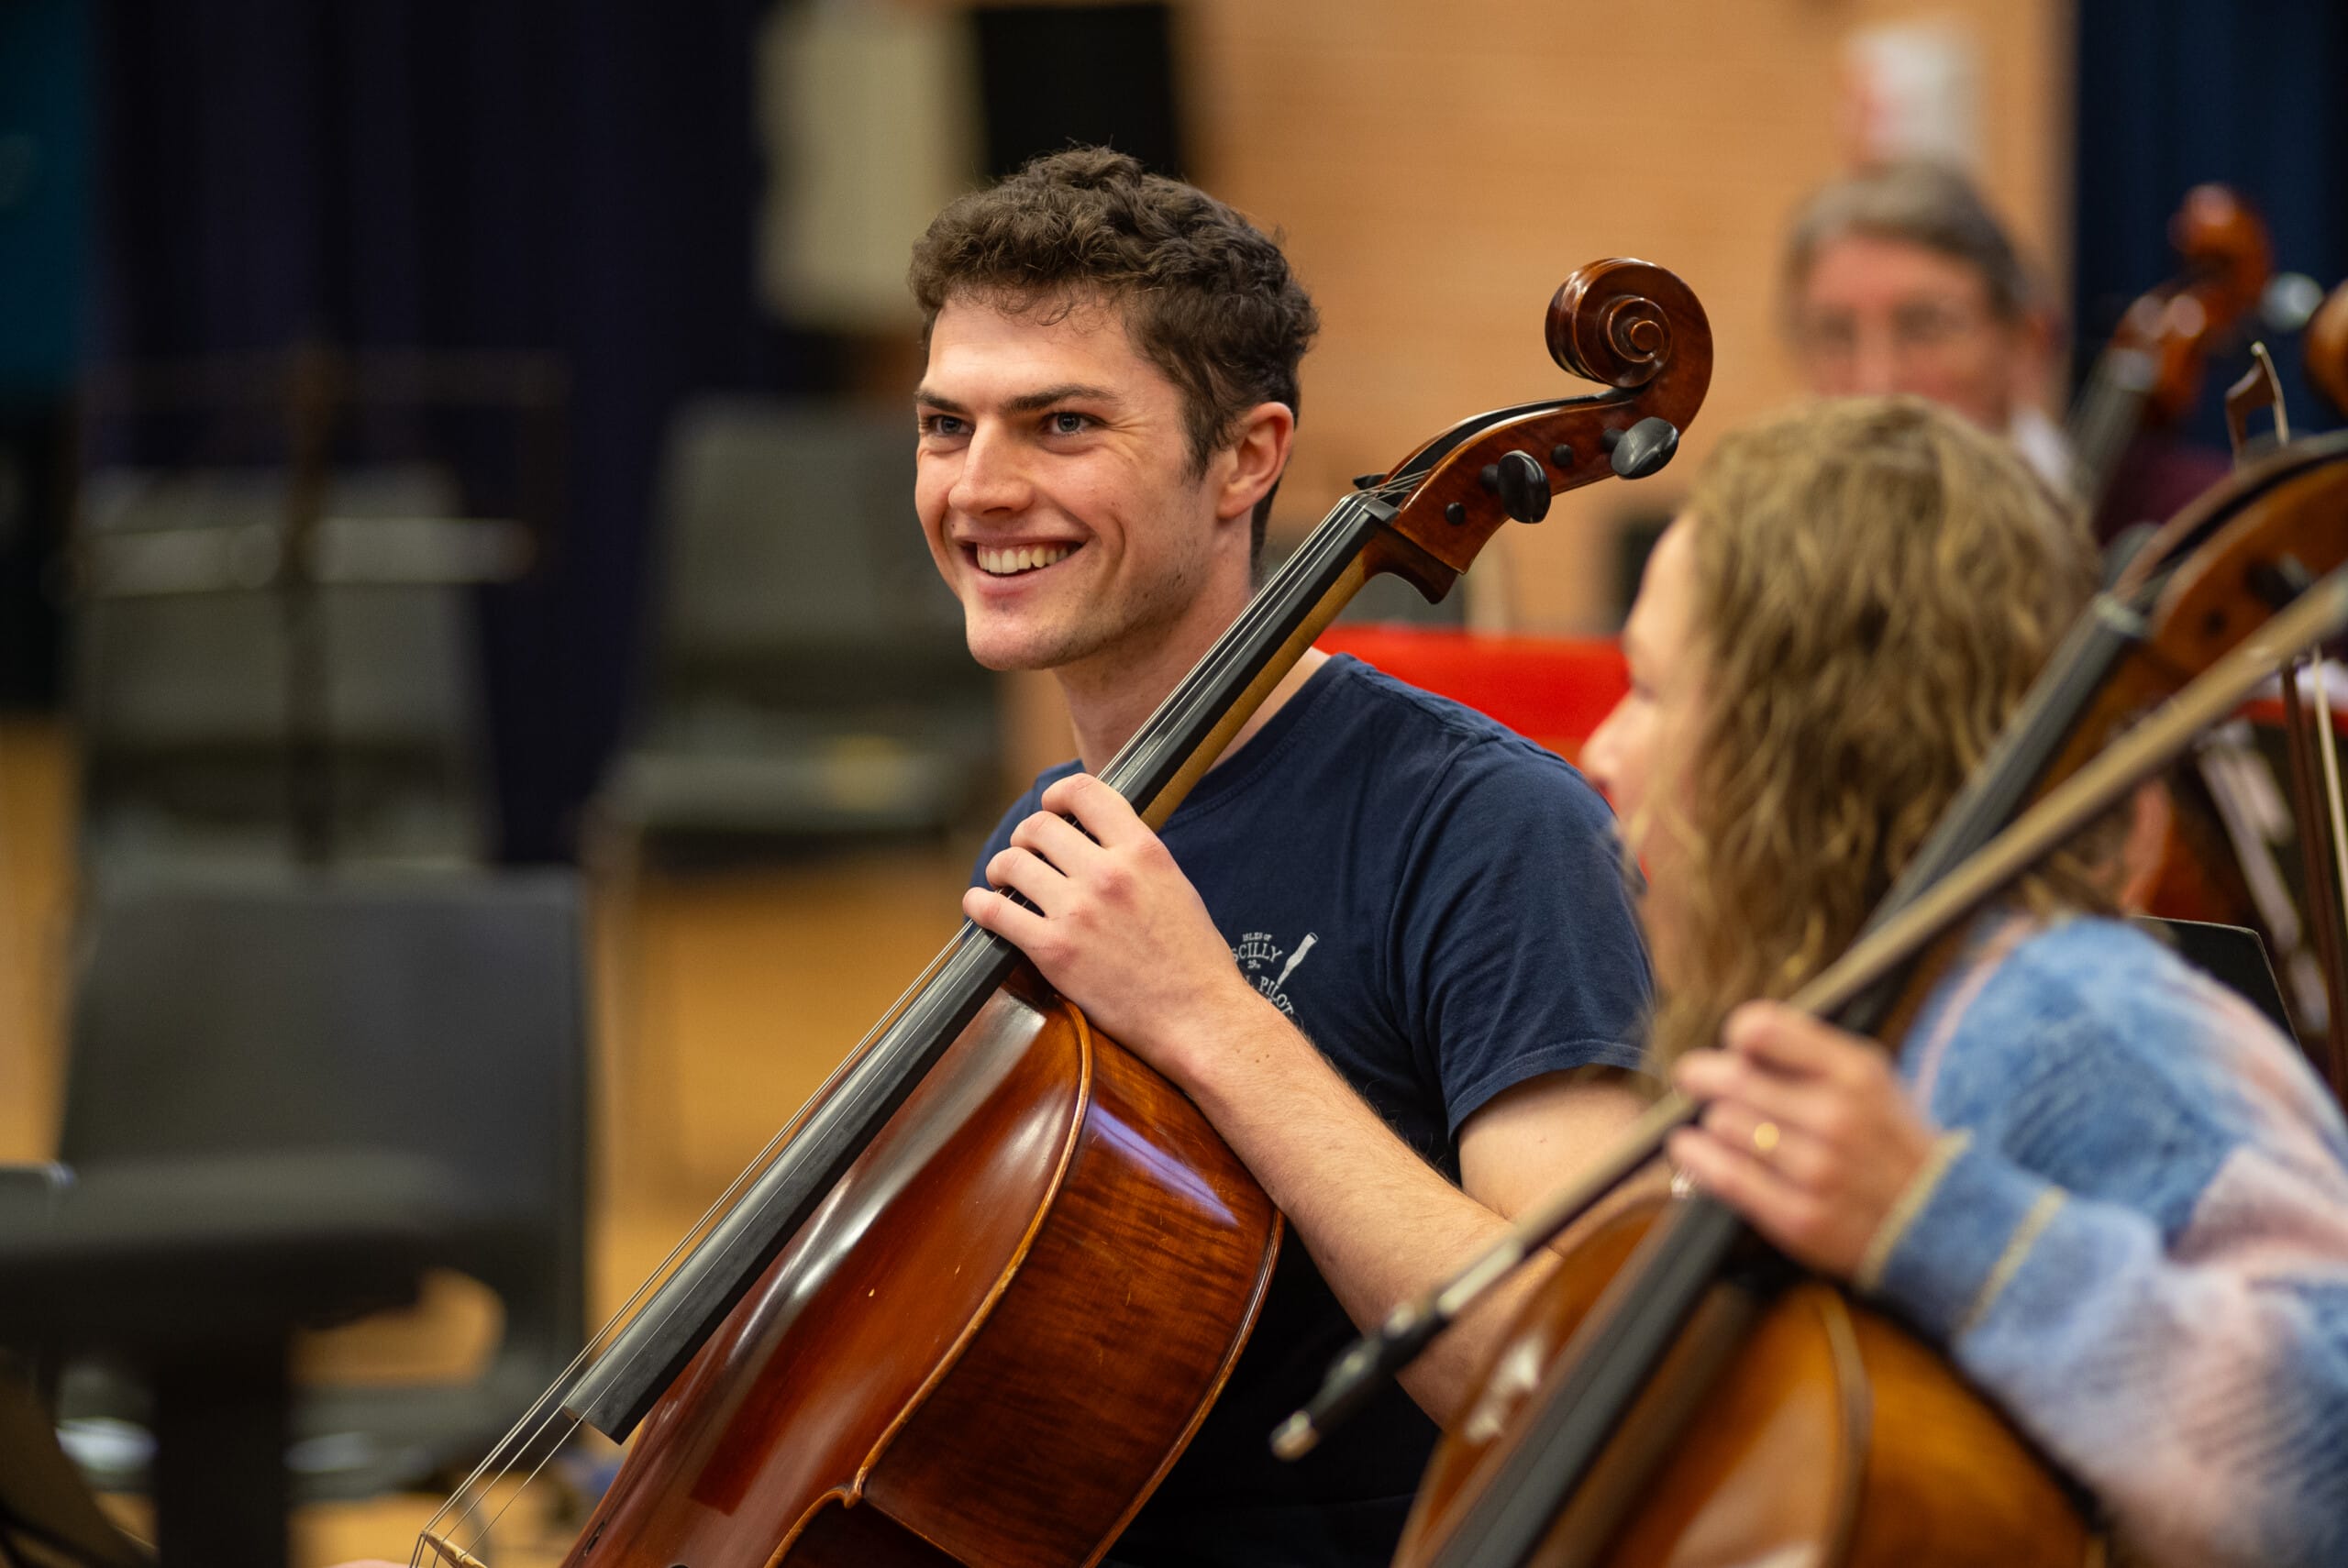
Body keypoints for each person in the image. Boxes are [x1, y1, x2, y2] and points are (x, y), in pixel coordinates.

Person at [921, 148, 1653, 1565]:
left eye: (1062, 424)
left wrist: (1208, 1015)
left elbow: (1566, 1375)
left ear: (1247, 457)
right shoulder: (1050, 839)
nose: (980, 487)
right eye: (947, 426)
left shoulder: (1490, 825)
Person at [1578, 394, 2348, 1567]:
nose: (1598, 750)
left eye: (1648, 690)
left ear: (1801, 745)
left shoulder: (2065, 1023)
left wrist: (1939, 1221)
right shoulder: (1845, 1024)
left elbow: (2327, 1453)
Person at [1781, 160, 2226, 540]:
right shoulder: (1783, 552)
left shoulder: (2188, 521)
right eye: (1836, 335)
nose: (1876, 383)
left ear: (2027, 342)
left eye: (1924, 327)